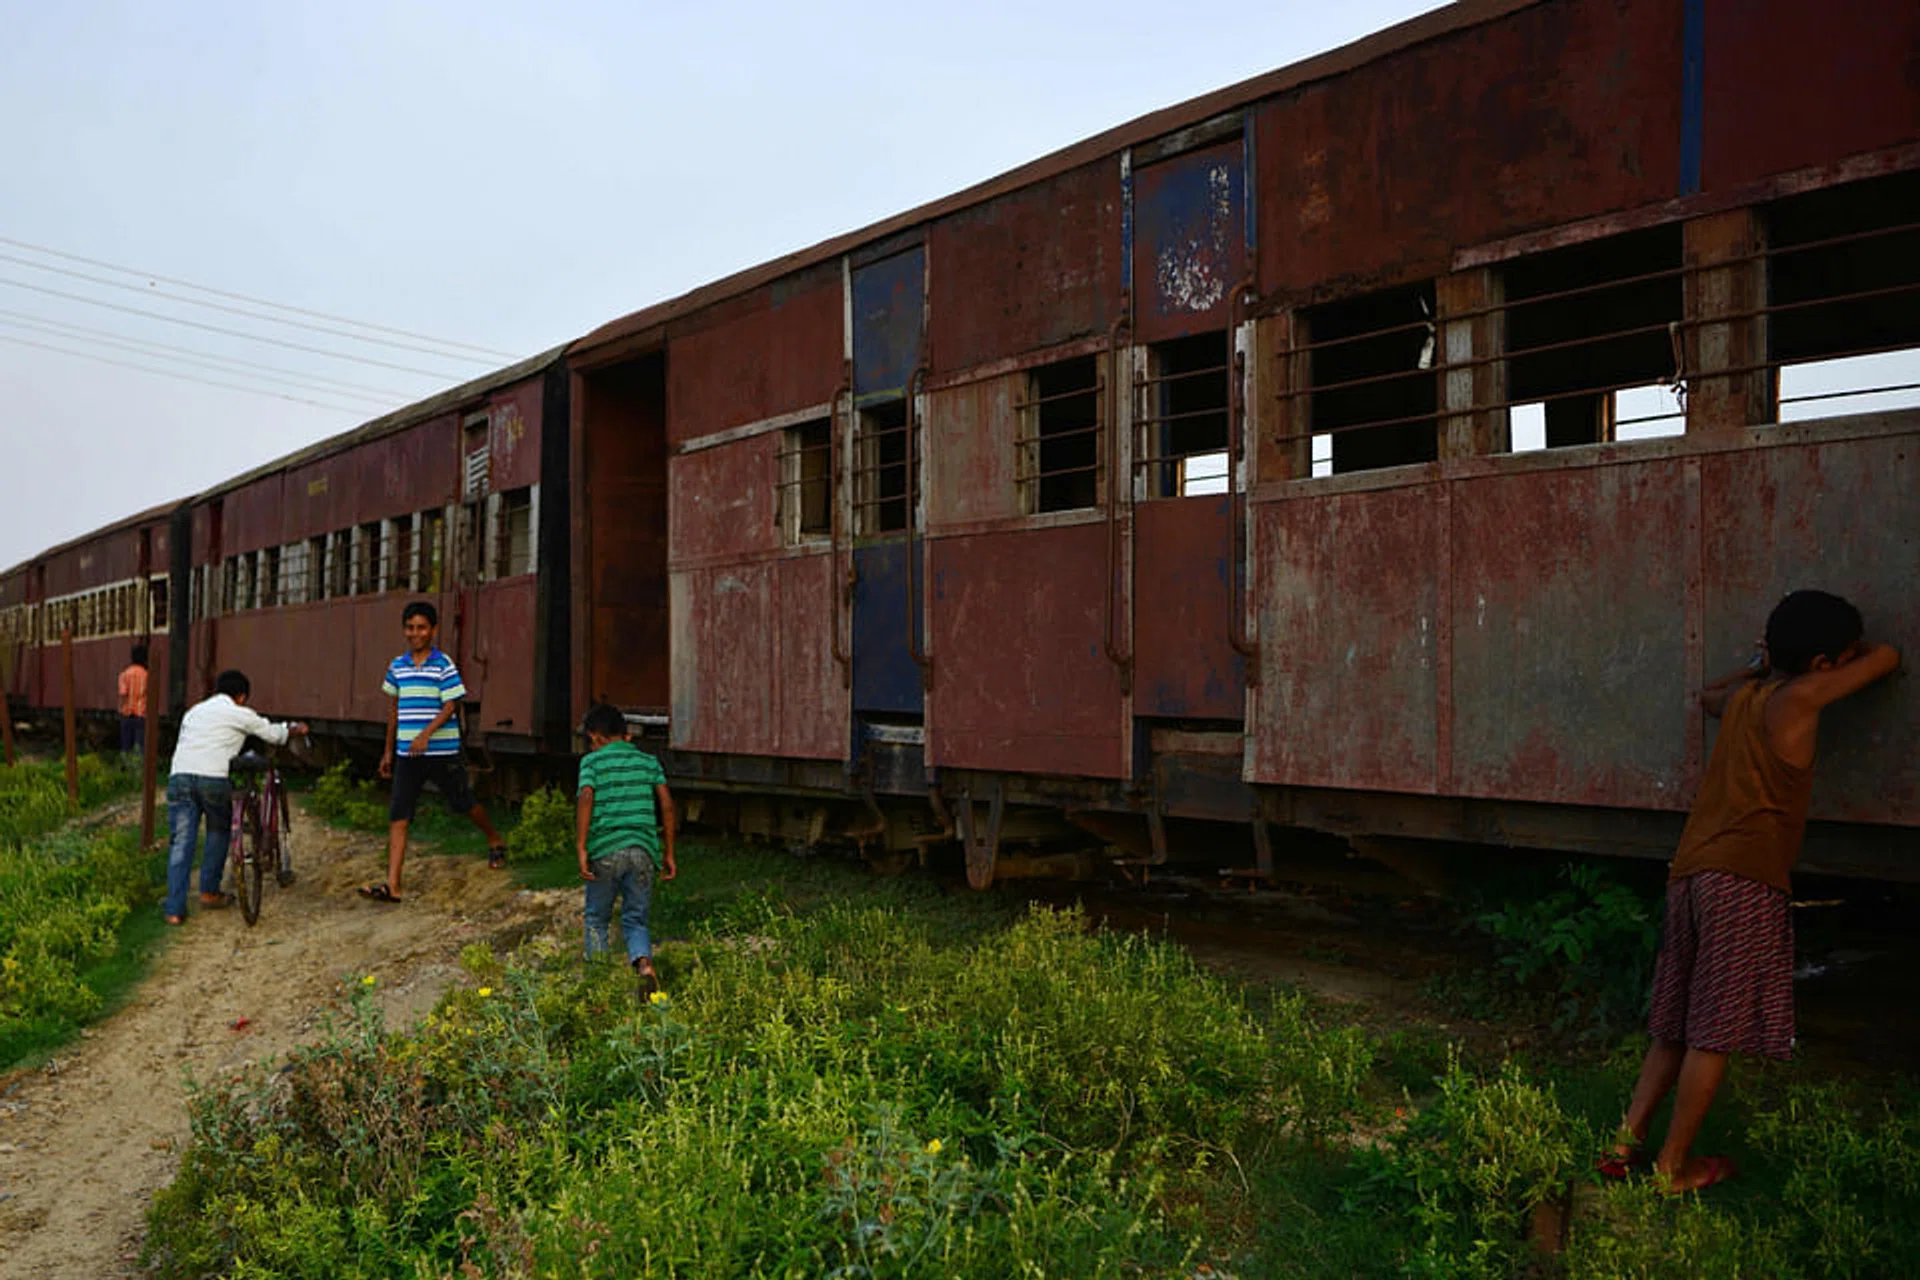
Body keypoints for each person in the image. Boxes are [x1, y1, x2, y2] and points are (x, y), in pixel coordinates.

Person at [1605, 590, 1899, 1193]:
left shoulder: (1746, 698)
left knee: (1675, 1025)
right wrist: (1848, 654)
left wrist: (1758, 665)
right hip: (1744, 880)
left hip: (1690, 871)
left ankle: (1622, 1143)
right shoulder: (1801, 698)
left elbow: (1706, 695)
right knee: (1713, 1032)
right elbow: (1886, 657)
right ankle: (1671, 1168)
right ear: (1824, 663)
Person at [360, 600, 504, 903]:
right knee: (398, 815)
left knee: (463, 802)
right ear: (404, 630)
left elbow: (451, 705)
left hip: (441, 752)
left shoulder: (443, 664)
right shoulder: (397, 667)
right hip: (406, 754)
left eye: (422, 627)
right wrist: (388, 751)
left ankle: (494, 838)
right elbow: (394, 710)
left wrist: (426, 735)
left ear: (433, 630)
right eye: (410, 628)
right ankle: (393, 886)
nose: (416, 633)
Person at [164, 669, 309, 925]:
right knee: (219, 830)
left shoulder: (194, 712)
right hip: (212, 778)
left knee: (181, 842)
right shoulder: (239, 713)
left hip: (180, 776)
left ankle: (174, 910)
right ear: (241, 697)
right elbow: (273, 733)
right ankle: (209, 892)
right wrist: (293, 729)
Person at [576, 702, 677, 995]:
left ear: (595, 737)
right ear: (625, 733)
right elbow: (667, 805)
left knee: (597, 918)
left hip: (605, 850)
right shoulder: (647, 762)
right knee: (635, 918)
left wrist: (582, 847)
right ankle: (644, 964)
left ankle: (598, 985)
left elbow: (585, 797)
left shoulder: (592, 763)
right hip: (644, 850)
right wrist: (668, 852)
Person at [117, 643, 149, 755]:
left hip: (127, 714)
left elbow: (123, 694)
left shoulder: (125, 674)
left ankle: (125, 766)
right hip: (141, 714)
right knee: (139, 745)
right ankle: (137, 767)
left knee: (126, 744)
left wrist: (120, 710)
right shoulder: (147, 675)